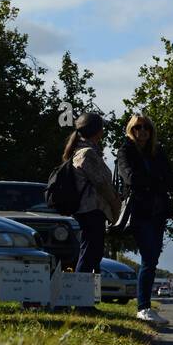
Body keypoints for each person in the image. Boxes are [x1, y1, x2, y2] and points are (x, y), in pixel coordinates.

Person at [115, 113, 173, 325]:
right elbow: (130, 178)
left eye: (146, 128)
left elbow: (171, 180)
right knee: (149, 257)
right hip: (139, 211)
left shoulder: (157, 152)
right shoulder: (125, 152)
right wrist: (155, 181)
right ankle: (143, 307)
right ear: (131, 130)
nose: (142, 131)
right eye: (138, 127)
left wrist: (151, 182)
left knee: (152, 258)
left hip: (158, 211)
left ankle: (146, 306)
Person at [63, 112, 120, 276]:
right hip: (91, 210)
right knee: (89, 255)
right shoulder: (87, 153)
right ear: (99, 131)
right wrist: (115, 204)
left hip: (88, 211)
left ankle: (85, 299)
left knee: (92, 254)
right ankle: (81, 298)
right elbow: (101, 183)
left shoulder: (80, 151)